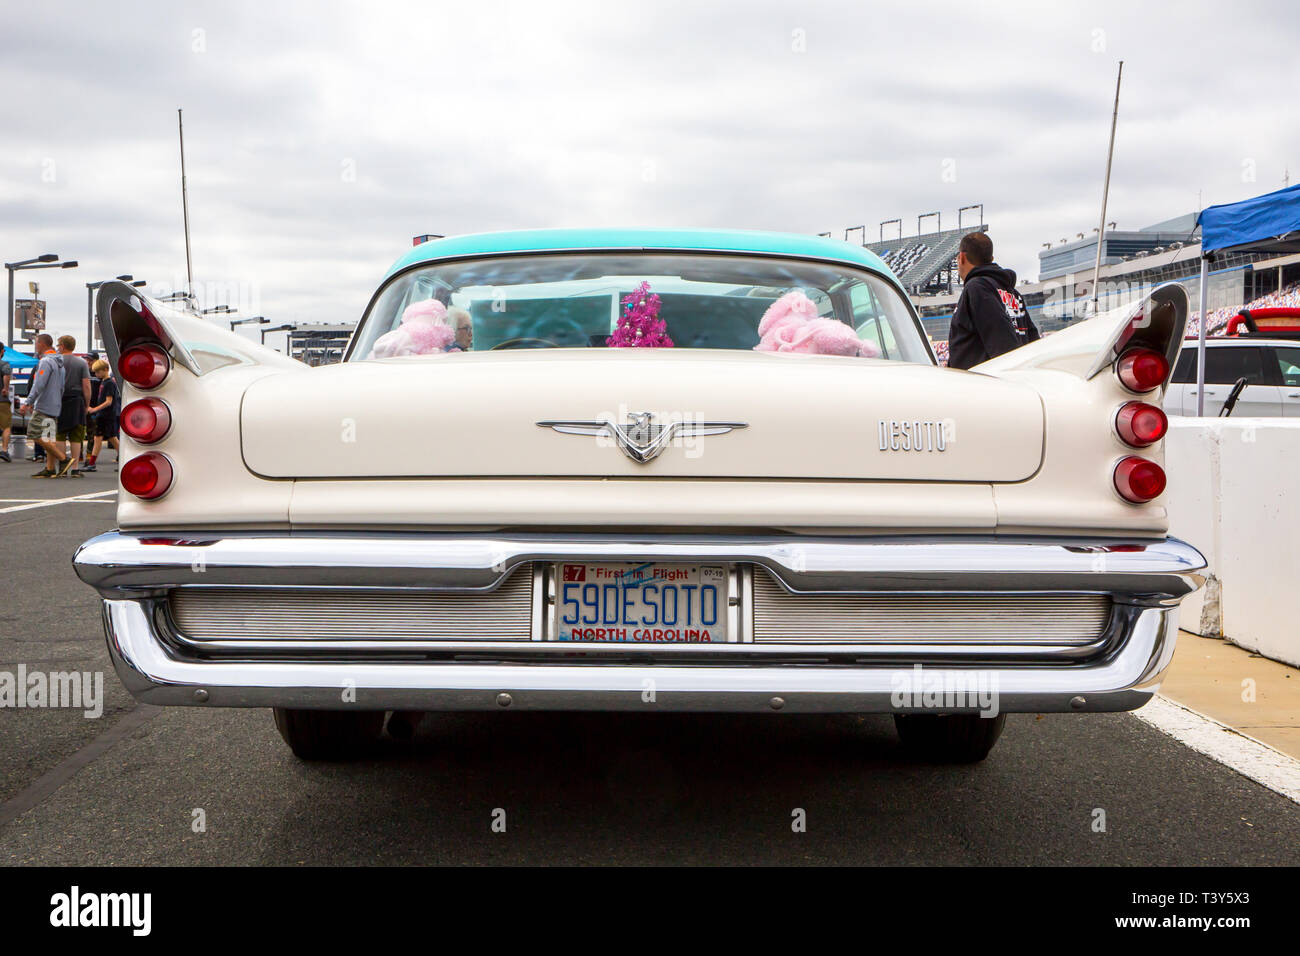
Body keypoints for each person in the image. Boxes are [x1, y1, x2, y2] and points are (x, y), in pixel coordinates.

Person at [946, 232, 1040, 370]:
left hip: (983, 385)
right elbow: (1033, 340)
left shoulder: (977, 288)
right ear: (991, 258)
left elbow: (1003, 345)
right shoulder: (1013, 293)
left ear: (962, 257)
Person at [21, 333, 68, 477]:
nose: (36, 346)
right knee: (48, 437)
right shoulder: (60, 363)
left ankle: (63, 459)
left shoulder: (46, 362)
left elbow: (39, 384)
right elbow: (62, 386)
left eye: (36, 343)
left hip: (44, 405)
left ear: (42, 344)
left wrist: (28, 401)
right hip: (55, 404)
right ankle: (50, 468)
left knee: (34, 433)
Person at [55, 335, 91, 478]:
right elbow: (86, 386)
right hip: (77, 400)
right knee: (76, 435)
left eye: (58, 345)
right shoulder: (81, 363)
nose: (58, 348)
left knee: (60, 434)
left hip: (59, 399)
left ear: (63, 346)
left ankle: (62, 466)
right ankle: (75, 468)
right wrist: (87, 404)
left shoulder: (56, 361)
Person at [84, 359, 119, 472]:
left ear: (105, 370)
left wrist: (95, 409)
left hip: (106, 415)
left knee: (101, 438)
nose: (96, 375)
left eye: (98, 372)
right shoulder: (104, 382)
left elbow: (108, 401)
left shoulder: (109, 383)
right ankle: (124, 460)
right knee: (110, 438)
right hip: (105, 415)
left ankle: (92, 463)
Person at [0, 353, 11, 462]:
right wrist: (5, 388)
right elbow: (6, 375)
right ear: (2, 351)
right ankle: (4, 450)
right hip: (1, 401)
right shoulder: (4, 364)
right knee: (6, 426)